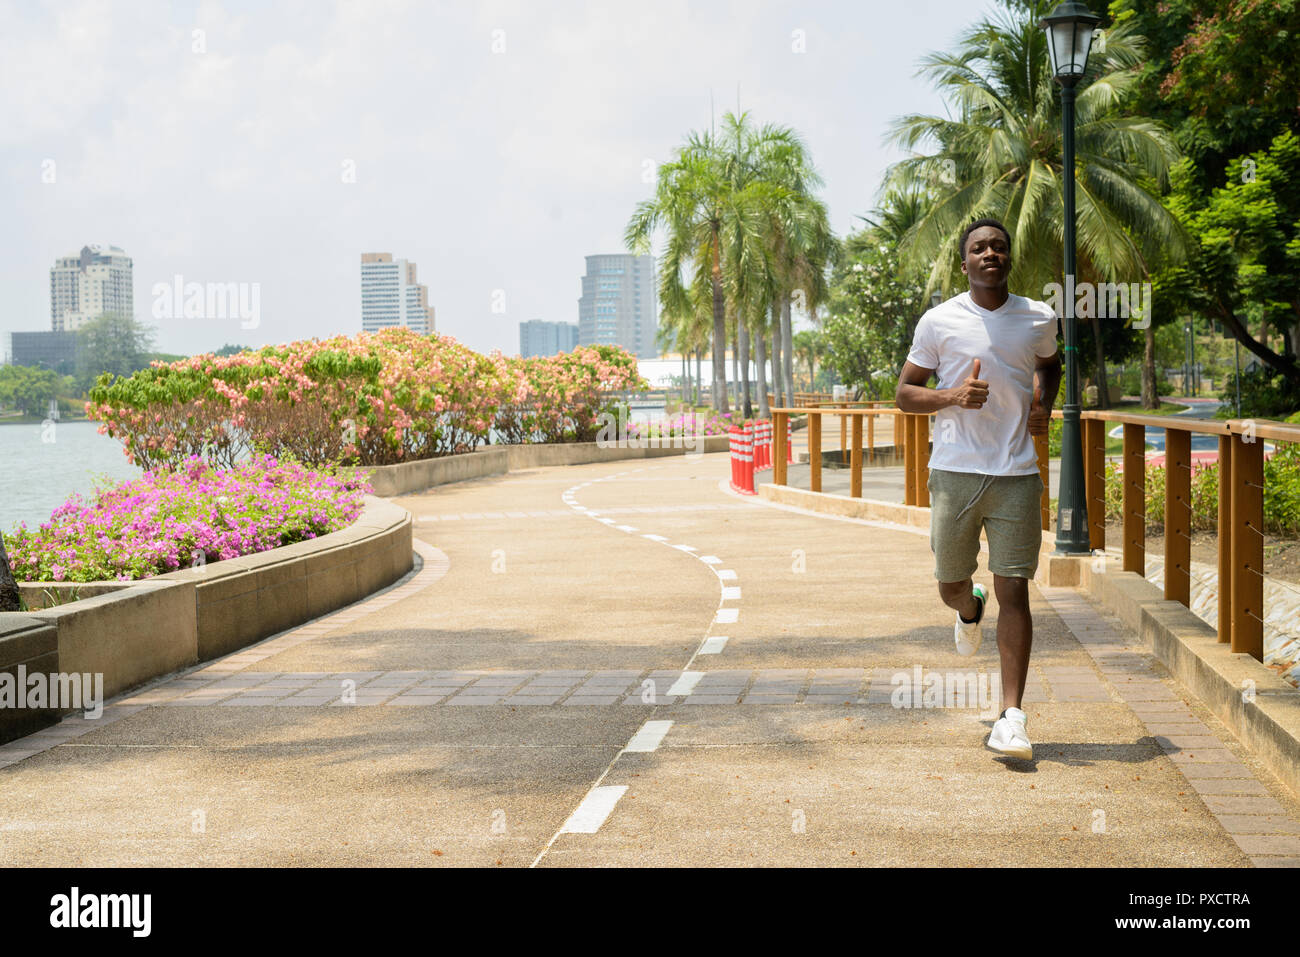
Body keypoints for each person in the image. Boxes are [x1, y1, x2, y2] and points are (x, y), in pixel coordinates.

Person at [895, 219, 1062, 761]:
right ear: (963, 262)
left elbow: (1050, 363)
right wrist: (951, 397)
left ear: (1007, 258)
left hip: (1017, 473)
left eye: (998, 246)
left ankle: (1011, 717)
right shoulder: (939, 321)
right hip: (955, 472)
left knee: (1015, 589)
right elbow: (904, 394)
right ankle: (969, 611)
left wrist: (1044, 404)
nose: (990, 253)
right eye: (978, 247)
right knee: (950, 583)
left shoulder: (1037, 316)